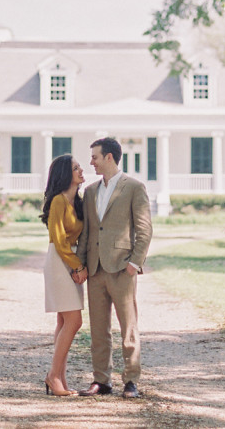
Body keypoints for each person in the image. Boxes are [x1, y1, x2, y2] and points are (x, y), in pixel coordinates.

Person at [77, 137, 153, 399]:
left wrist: (134, 264)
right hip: (95, 270)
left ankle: (131, 381)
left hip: (122, 269)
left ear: (109, 157)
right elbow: (87, 232)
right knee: (98, 330)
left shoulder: (134, 187)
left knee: (128, 328)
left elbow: (144, 229)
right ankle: (102, 381)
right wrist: (82, 265)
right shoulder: (89, 191)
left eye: (95, 157)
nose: (91, 163)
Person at [40, 153, 88, 397]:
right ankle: (53, 376)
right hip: (60, 262)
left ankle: (59, 378)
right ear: (64, 174)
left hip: (69, 260)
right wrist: (78, 267)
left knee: (63, 321)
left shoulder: (77, 201)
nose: (82, 170)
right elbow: (59, 241)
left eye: (80, 167)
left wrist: (78, 264)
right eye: (76, 168)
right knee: (74, 320)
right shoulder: (58, 201)